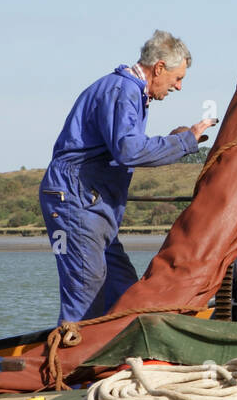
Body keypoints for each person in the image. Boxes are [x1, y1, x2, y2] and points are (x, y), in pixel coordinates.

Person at [40, 30, 216, 324]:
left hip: (93, 205)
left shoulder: (127, 91)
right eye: (177, 78)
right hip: (76, 201)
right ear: (159, 67)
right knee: (87, 292)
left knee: (123, 292)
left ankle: (117, 355)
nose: (179, 86)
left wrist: (176, 142)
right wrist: (184, 143)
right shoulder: (124, 91)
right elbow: (128, 150)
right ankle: (74, 361)